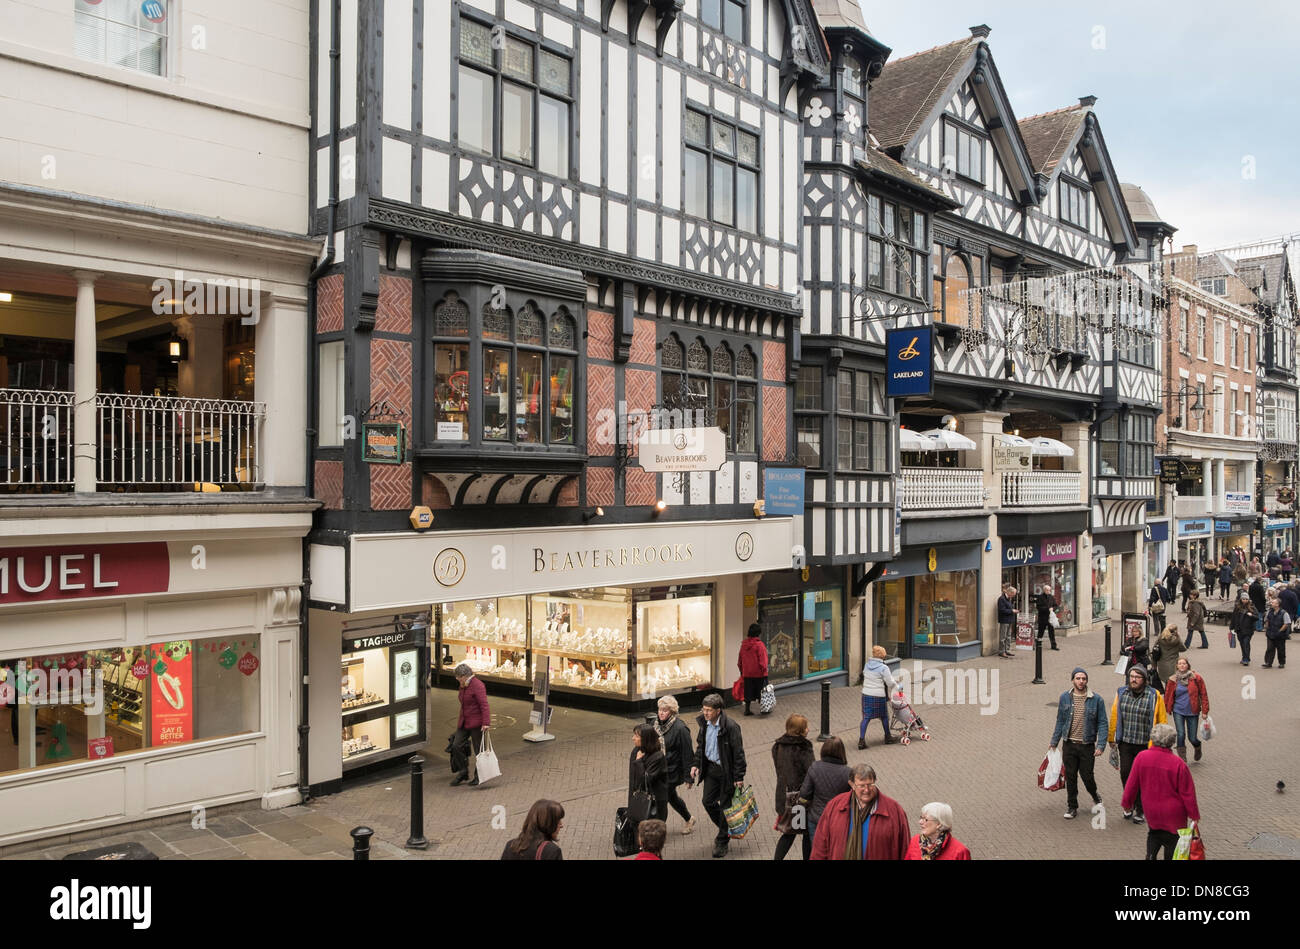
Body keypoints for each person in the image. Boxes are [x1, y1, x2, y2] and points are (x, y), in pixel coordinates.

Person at [1121, 724, 1200, 860]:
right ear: (1171, 741)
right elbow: (1188, 793)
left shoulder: (1141, 757)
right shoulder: (1178, 764)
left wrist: (1127, 803)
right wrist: (1194, 814)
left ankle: (1150, 856)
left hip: (1152, 811)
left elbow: (1131, 785)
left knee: (1154, 834)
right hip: (1174, 815)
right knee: (1172, 845)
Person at [810, 763, 909, 860]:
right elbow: (820, 846)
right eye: (861, 786)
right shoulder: (835, 807)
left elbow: (905, 849)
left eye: (870, 784)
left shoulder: (894, 811)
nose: (866, 790)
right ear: (852, 785)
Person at [1108, 664, 1168, 823]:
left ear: (1144, 679)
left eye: (1137, 677)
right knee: (1126, 775)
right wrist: (1111, 738)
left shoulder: (1154, 695)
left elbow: (1162, 720)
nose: (1133, 680)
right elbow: (1115, 715)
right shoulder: (1122, 692)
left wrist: (1161, 744)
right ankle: (1129, 804)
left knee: (1142, 778)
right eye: (1131, 676)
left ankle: (1140, 810)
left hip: (1145, 745)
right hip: (1126, 743)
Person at [690, 692, 747, 858]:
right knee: (707, 801)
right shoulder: (704, 724)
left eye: (708, 710)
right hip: (711, 770)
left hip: (726, 773)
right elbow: (701, 747)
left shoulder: (730, 727)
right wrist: (695, 764)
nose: (705, 713)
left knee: (725, 806)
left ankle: (722, 841)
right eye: (704, 709)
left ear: (718, 710)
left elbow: (738, 754)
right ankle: (727, 827)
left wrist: (739, 777)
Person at [1049, 667, 1107, 820]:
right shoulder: (1065, 697)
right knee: (1071, 776)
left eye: (1083, 679)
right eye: (1078, 678)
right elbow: (1060, 721)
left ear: (1087, 681)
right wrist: (1054, 741)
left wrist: (1101, 745)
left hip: (1087, 745)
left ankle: (1095, 795)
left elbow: (1102, 723)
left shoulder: (1096, 699)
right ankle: (1072, 806)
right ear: (1073, 680)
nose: (1081, 681)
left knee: (1087, 776)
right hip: (1069, 744)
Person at [771, 713, 815, 861]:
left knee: (789, 832)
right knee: (806, 833)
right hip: (800, 797)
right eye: (805, 727)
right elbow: (811, 771)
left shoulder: (777, 746)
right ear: (800, 731)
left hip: (783, 794)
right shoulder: (804, 747)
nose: (808, 729)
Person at [798, 736, 851, 852]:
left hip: (817, 818)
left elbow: (804, 793)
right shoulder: (848, 772)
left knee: (818, 852)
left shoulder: (815, 767)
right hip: (839, 820)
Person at [652, 695, 696, 834]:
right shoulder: (655, 725)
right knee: (671, 797)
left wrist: (689, 778)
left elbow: (688, 754)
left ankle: (657, 830)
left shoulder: (680, 729)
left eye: (665, 710)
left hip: (672, 771)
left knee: (662, 799)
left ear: (672, 711)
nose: (661, 713)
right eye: (660, 709)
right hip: (658, 770)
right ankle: (689, 818)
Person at [450, 662, 489, 787]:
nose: (457, 679)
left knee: (479, 751)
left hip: (477, 723)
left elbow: (484, 705)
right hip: (464, 721)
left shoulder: (477, 685)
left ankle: (479, 776)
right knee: (456, 746)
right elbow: (462, 701)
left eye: (458, 677)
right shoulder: (463, 685)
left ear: (465, 676)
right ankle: (463, 771)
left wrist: (486, 723)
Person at [1163, 657, 1208, 763]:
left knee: (1192, 738)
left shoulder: (1196, 678)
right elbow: (1168, 695)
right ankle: (1182, 757)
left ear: (1188, 665)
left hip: (1192, 711)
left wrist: (1205, 711)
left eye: (1184, 663)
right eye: (1180, 663)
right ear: (1177, 666)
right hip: (1178, 710)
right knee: (1181, 733)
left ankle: (1197, 746)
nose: (1182, 665)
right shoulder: (1172, 680)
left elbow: (1203, 694)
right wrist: (1166, 708)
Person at [859, 645, 899, 749]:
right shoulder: (884, 668)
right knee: (884, 716)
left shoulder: (867, 665)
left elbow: (864, 675)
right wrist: (897, 685)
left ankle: (861, 740)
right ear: (882, 656)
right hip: (878, 695)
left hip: (866, 694)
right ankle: (888, 737)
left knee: (866, 717)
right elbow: (890, 683)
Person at [629, 723, 668, 827]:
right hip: (640, 798)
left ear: (645, 739)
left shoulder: (658, 757)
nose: (633, 738)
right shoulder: (636, 751)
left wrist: (639, 762)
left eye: (637, 736)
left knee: (653, 832)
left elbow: (645, 780)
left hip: (654, 802)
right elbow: (633, 779)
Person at [904, 802, 972, 860]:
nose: (920, 822)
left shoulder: (959, 852)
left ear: (939, 824)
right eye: (921, 818)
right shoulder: (915, 841)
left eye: (925, 819)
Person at [738, 622, 769, 716]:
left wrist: (742, 670)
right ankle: (763, 709)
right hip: (759, 673)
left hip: (747, 673)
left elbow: (740, 660)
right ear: (758, 633)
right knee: (762, 692)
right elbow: (763, 660)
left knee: (748, 692)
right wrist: (765, 670)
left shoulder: (744, 645)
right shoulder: (759, 645)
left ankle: (747, 709)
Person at [1151, 624, 1187, 691]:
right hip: (1173, 664)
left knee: (1167, 683)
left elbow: (1154, 650)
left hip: (1162, 664)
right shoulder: (1177, 640)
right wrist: (1179, 637)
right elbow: (1183, 649)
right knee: (1172, 684)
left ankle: (1167, 697)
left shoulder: (1161, 638)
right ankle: (1170, 698)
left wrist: (1154, 665)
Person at [1262, 594, 1291, 669]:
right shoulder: (1270, 611)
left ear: (1277, 604)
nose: (1271, 603)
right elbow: (1267, 620)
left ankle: (1281, 663)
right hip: (1270, 633)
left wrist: (1280, 631)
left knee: (1281, 649)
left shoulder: (1284, 613)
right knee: (1269, 649)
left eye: (1273, 603)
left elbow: (1286, 623)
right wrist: (1267, 628)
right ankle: (1268, 662)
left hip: (1280, 634)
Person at [1230, 591, 1259, 666]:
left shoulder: (1252, 607)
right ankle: (1244, 657)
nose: (1245, 600)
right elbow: (1233, 617)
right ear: (1241, 599)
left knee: (1246, 643)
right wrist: (1231, 627)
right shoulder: (1237, 607)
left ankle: (1246, 659)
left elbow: (1257, 617)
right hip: (1239, 629)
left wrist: (1251, 615)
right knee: (1242, 644)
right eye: (1243, 599)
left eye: (1246, 599)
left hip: (1248, 629)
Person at [1035, 584, 1060, 651]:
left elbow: (1055, 605)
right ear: (1044, 590)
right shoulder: (1040, 597)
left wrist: (1053, 608)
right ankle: (1037, 645)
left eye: (1049, 590)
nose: (1049, 591)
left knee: (1051, 632)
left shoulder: (1051, 597)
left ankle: (1053, 646)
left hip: (1050, 618)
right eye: (1047, 590)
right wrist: (1047, 609)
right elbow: (1038, 607)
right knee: (1041, 632)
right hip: (1042, 618)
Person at [997, 584, 1018, 658]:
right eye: (1013, 594)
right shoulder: (1002, 599)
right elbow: (1002, 610)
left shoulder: (1009, 599)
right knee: (1003, 637)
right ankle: (1001, 651)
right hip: (1004, 620)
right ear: (1009, 592)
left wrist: (1012, 611)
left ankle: (1007, 650)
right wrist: (1012, 611)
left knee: (1008, 636)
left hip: (1009, 620)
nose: (1014, 596)